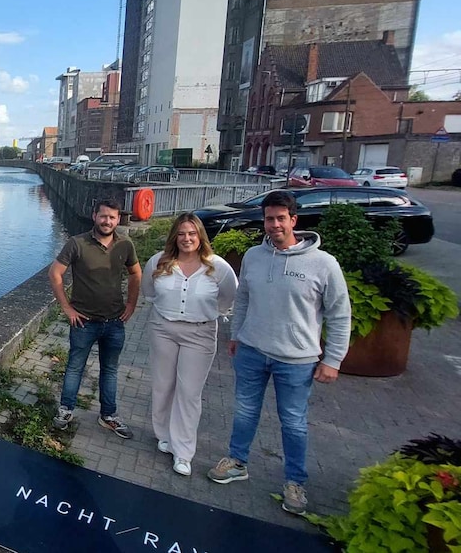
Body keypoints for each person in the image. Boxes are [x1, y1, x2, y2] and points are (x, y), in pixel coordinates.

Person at [206, 191, 351, 516]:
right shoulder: (255, 257)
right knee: (244, 412)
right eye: (269, 219)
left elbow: (340, 313)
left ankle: (295, 482)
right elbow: (243, 298)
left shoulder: (323, 264)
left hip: (296, 360)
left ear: (293, 220)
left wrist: (333, 359)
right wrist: (236, 334)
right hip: (252, 350)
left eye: (280, 218)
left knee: (293, 422)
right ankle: (237, 462)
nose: (273, 225)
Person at [141, 213, 237, 476]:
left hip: (200, 333)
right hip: (163, 328)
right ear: (175, 236)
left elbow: (228, 297)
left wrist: (206, 313)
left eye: (192, 233)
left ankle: (183, 452)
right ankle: (163, 434)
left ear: (200, 237)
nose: (186, 239)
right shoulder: (158, 262)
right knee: (163, 385)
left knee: (189, 392)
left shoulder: (218, 267)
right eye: (182, 234)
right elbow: (149, 292)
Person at [49, 199, 143, 439]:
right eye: (103, 216)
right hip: (84, 321)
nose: (107, 221)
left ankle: (108, 415)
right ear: (94, 216)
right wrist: (67, 308)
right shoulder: (77, 243)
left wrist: (131, 303)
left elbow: (135, 273)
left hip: (114, 322)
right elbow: (55, 273)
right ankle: (66, 410)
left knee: (110, 369)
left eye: (112, 217)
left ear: (118, 219)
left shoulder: (125, 244)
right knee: (74, 367)